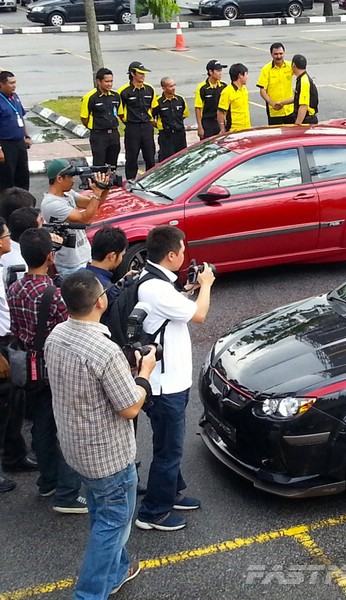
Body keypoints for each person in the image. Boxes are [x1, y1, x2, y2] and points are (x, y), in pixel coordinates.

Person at [45, 270, 156, 598]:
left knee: (103, 511)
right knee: (112, 524)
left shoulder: (56, 335)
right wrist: (144, 374)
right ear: (100, 301)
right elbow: (130, 408)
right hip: (109, 457)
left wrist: (125, 373)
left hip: (76, 448)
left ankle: (118, 571)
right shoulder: (105, 351)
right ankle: (89, 594)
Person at [135, 226, 215, 532]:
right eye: (183, 250)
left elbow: (177, 309)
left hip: (166, 381)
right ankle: (154, 512)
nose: (186, 255)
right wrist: (206, 285)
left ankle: (172, 492)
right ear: (171, 255)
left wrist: (189, 290)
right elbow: (199, 315)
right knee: (169, 450)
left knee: (166, 444)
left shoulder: (155, 281)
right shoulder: (157, 289)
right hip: (165, 387)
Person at [8, 228, 85, 513]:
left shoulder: (14, 288)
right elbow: (71, 326)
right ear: (51, 256)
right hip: (54, 368)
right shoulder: (53, 293)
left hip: (27, 367)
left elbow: (14, 326)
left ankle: (47, 481)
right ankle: (67, 491)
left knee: (41, 424)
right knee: (65, 428)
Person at [0, 216, 35, 493]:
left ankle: (14, 455)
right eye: (4, 236)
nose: (7, 241)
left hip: (8, 341)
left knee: (13, 401)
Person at [40, 159, 110, 278]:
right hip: (71, 266)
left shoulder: (68, 193)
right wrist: (97, 193)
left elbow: (94, 204)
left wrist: (105, 187)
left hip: (84, 257)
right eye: (70, 177)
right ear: (59, 179)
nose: (73, 180)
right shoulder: (51, 204)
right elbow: (86, 219)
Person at [118, 61, 157, 181]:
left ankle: (150, 181)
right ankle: (130, 181)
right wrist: (129, 122)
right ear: (132, 74)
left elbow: (153, 107)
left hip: (146, 126)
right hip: (132, 128)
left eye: (144, 73)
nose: (143, 76)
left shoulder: (149, 89)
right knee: (131, 157)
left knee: (150, 156)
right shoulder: (124, 91)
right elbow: (120, 112)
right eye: (140, 73)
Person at [80, 68, 122, 169]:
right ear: (99, 81)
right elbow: (84, 118)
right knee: (99, 165)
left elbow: (119, 113)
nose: (109, 84)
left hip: (113, 135)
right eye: (106, 81)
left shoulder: (115, 96)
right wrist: (94, 127)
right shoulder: (90, 97)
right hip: (99, 136)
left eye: (111, 81)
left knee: (112, 166)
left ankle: (111, 183)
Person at [0, 71, 32, 192]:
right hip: (5, 145)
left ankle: (24, 204)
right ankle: (6, 207)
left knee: (23, 176)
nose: (14, 85)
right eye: (11, 83)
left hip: (20, 143)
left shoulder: (15, 97)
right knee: (7, 179)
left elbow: (20, 117)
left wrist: (27, 136)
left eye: (15, 82)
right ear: (1, 84)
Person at [85, 226, 128, 302]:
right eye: (122, 255)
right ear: (112, 256)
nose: (122, 259)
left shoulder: (77, 275)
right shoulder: (109, 292)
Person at [257, 43, 294, 126]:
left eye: (281, 54)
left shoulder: (290, 66)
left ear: (284, 53)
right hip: (274, 112)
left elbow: (301, 74)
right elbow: (262, 90)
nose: (279, 56)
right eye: (276, 54)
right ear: (271, 55)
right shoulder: (266, 69)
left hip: (290, 109)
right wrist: (272, 104)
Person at [154, 77, 189, 162]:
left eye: (174, 85)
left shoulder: (180, 99)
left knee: (182, 158)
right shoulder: (157, 102)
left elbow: (185, 114)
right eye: (170, 86)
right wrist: (161, 126)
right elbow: (151, 118)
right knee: (167, 160)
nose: (173, 88)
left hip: (180, 134)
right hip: (166, 135)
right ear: (164, 88)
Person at [194, 60, 227, 140]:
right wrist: (200, 127)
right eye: (218, 71)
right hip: (208, 123)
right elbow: (198, 108)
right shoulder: (202, 88)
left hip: (221, 122)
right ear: (210, 72)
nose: (220, 73)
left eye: (221, 70)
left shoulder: (224, 86)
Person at [217, 63, 251, 134]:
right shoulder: (227, 92)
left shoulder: (244, 89)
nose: (247, 77)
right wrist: (223, 129)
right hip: (234, 130)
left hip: (247, 128)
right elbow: (221, 112)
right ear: (240, 75)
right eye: (246, 74)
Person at [290, 55, 318, 126]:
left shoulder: (304, 81)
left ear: (293, 65)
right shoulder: (303, 78)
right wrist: (282, 103)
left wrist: (297, 125)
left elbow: (303, 105)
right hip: (307, 119)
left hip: (307, 120)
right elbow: (298, 97)